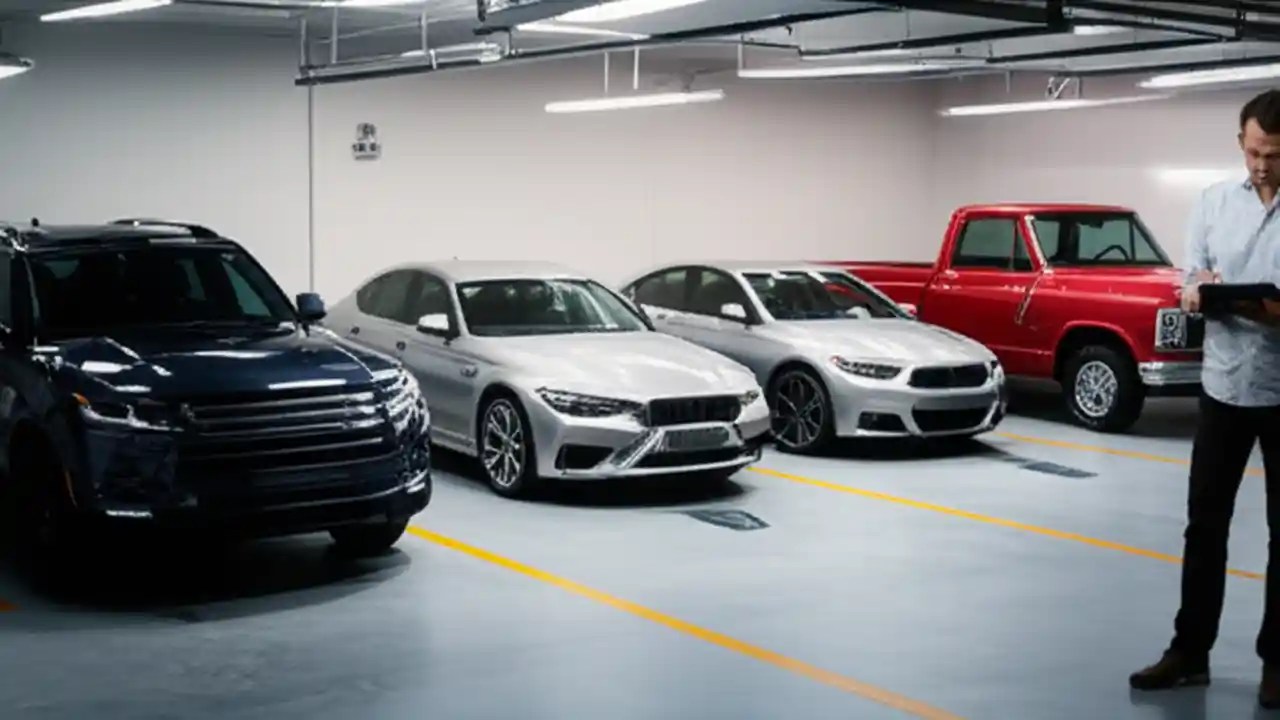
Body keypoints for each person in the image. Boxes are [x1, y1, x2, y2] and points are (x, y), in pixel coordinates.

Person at [1129, 88, 1280, 709]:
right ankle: (1190, 652)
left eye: (1272, 154)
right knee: (1204, 526)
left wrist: (1249, 304)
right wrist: (1199, 289)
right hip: (1222, 387)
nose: (1262, 166)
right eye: (1253, 153)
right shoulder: (1214, 203)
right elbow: (1190, 278)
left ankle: (1278, 663)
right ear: (1239, 145)